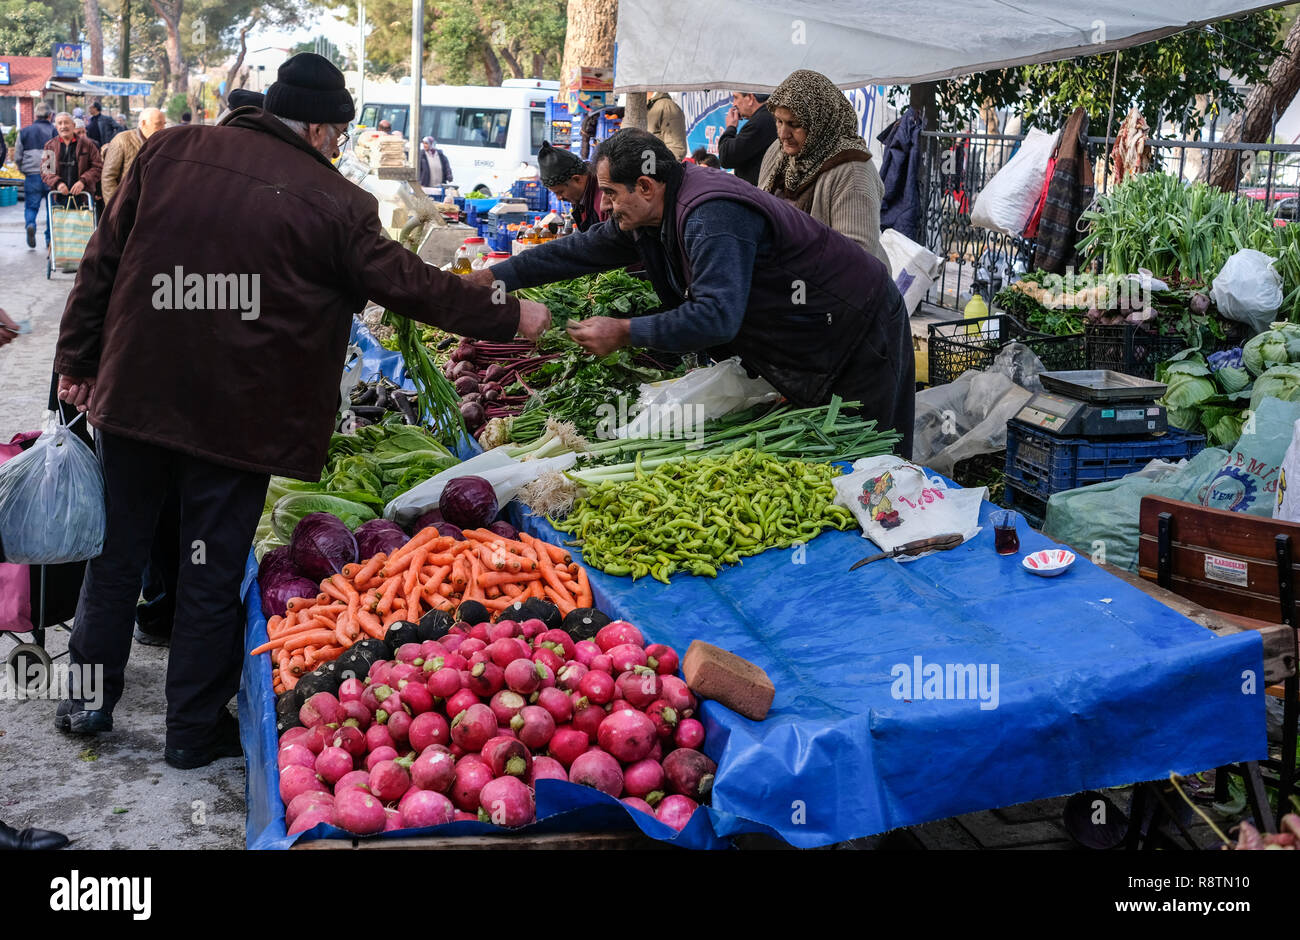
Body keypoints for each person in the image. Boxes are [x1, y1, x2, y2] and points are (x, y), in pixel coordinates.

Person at [52, 52, 551, 769]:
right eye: (338, 136)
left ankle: (84, 701)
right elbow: (415, 286)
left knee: (117, 549)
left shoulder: (170, 149)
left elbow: (102, 259)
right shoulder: (337, 203)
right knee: (211, 569)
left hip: (137, 391)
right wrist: (508, 311)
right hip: (238, 417)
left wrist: (77, 359)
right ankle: (190, 733)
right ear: (320, 129)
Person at [467, 128, 913, 454]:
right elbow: (580, 250)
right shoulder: (648, 211)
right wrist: (497, 277)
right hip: (807, 336)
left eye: (608, 193)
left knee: (872, 456)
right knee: (831, 453)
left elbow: (716, 316)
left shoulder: (709, 214)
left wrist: (624, 330)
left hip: (857, 328)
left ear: (644, 185)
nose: (601, 206)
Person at [757, 69, 889, 267]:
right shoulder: (778, 153)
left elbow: (857, 259)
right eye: (779, 121)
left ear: (820, 122)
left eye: (795, 124)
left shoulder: (853, 169)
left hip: (839, 292)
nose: (784, 134)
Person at [537, 140, 608, 232]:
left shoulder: (603, 199)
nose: (559, 198)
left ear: (577, 179)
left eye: (560, 192)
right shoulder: (581, 197)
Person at [101, 107, 166, 204]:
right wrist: (115, 207)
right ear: (143, 123)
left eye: (164, 124)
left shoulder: (163, 143)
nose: (162, 128)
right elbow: (108, 177)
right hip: (128, 204)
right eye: (158, 124)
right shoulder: (122, 140)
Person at [15, 104, 57, 250]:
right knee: (51, 208)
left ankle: (31, 224)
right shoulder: (53, 130)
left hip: (31, 174)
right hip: (49, 174)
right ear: (49, 116)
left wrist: (22, 169)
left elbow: (17, 155)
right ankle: (49, 240)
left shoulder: (25, 131)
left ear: (35, 115)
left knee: (31, 206)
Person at [42, 112, 102, 210]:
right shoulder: (50, 146)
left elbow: (98, 167)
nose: (63, 126)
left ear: (73, 125)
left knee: (84, 225)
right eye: (60, 123)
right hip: (59, 196)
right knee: (59, 225)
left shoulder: (88, 145)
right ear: (56, 127)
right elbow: (46, 170)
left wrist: (83, 181)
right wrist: (58, 183)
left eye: (66, 123)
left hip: (83, 196)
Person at [717, 91, 777, 186]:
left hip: (757, 193)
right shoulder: (768, 116)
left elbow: (726, 157)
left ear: (750, 98)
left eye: (736, 98)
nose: (734, 104)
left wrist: (731, 127)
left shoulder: (759, 122)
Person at [646, 92, 687, 160]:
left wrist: (661, 169)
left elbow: (676, 149)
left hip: (655, 167)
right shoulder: (642, 107)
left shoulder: (666, 106)